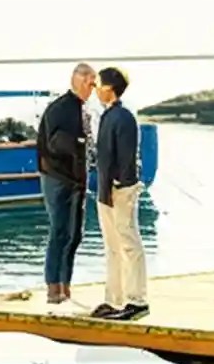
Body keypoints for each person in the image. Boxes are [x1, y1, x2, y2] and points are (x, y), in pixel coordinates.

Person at [90, 67, 149, 320]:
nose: (95, 90)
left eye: (98, 85)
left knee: (128, 243)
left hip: (119, 189)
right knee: (113, 246)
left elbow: (126, 156)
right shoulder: (107, 115)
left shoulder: (123, 117)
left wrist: (118, 184)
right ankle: (114, 300)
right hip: (106, 190)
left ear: (109, 88)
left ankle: (137, 300)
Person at [36, 63, 96, 304]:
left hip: (77, 180)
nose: (90, 87)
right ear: (77, 80)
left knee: (75, 234)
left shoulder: (83, 110)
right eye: (88, 82)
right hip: (58, 178)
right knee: (59, 231)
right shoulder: (60, 109)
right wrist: (76, 145)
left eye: (93, 83)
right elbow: (53, 144)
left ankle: (65, 283)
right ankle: (53, 286)